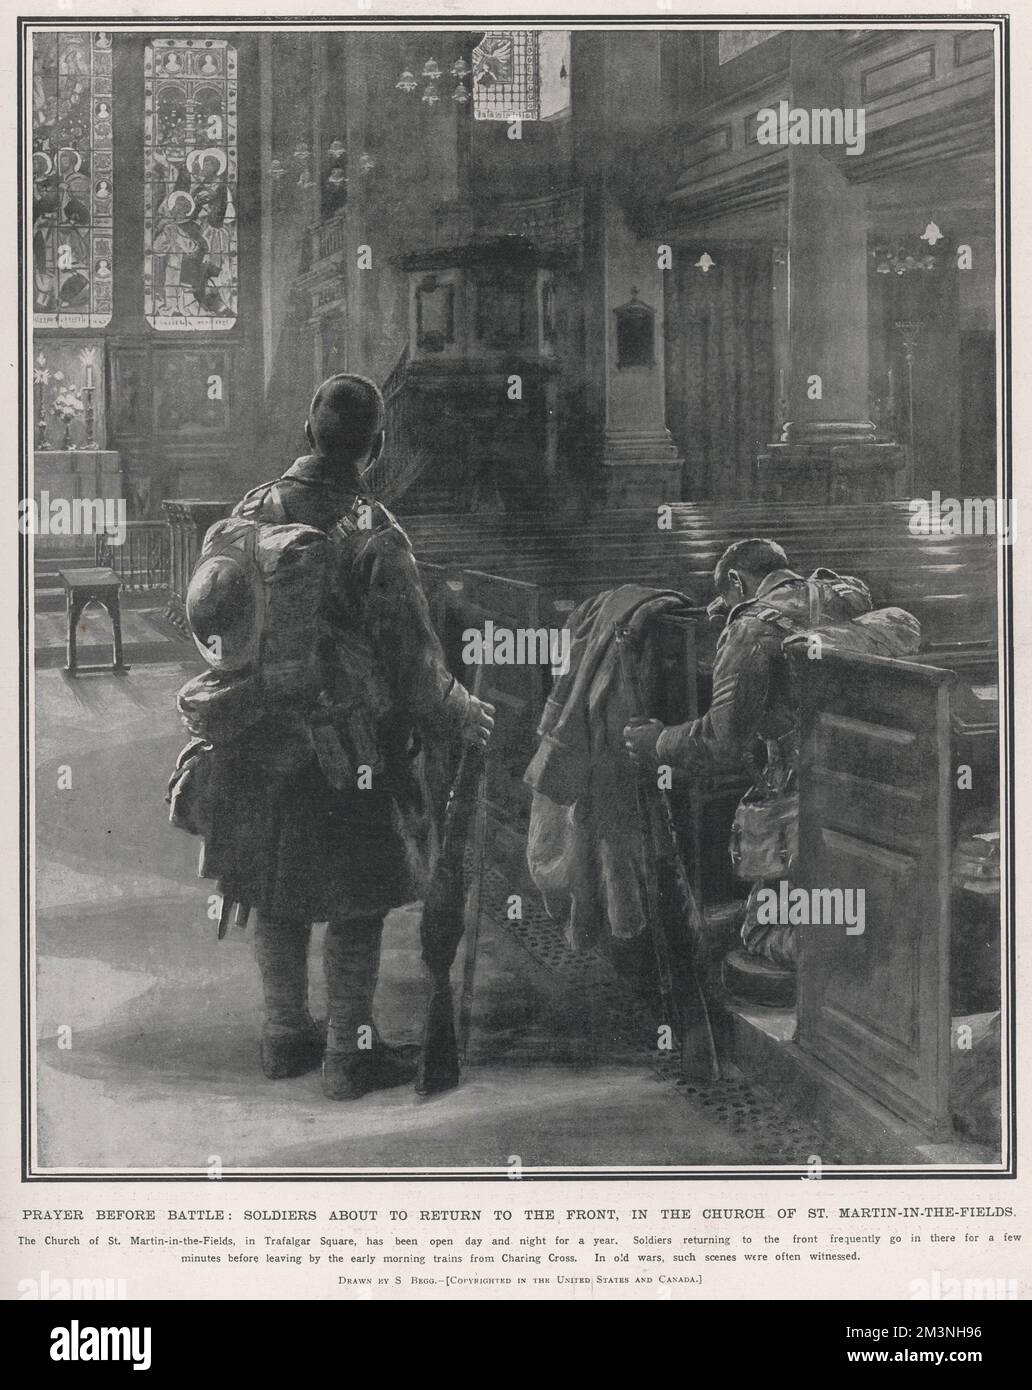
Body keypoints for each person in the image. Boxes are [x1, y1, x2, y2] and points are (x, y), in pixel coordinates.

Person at [188, 375, 495, 1100]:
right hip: (348, 752)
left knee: (274, 892)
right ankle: (347, 1054)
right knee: (357, 900)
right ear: (377, 447)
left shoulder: (249, 511)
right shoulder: (376, 534)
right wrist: (462, 713)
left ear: (306, 431)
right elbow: (415, 664)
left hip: (256, 740)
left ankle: (282, 1035)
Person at [622, 538, 871, 970]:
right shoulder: (845, 593)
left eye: (726, 593)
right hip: (862, 779)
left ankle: (845, 958)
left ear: (736, 580)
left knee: (760, 931)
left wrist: (656, 742)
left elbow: (721, 741)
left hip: (800, 795)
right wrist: (729, 607)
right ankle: (857, 928)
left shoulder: (750, 629)